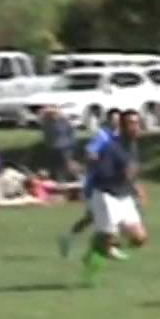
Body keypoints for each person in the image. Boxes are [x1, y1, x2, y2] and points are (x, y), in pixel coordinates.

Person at [82, 110, 148, 286]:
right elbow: (102, 174)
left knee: (140, 238)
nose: (136, 127)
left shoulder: (133, 145)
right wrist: (123, 176)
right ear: (122, 126)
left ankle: (99, 246)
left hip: (124, 196)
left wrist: (136, 186)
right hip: (106, 195)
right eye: (131, 124)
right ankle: (94, 259)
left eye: (137, 123)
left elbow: (131, 171)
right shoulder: (112, 147)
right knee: (108, 239)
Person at [59, 109, 121, 259]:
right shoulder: (103, 135)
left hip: (108, 183)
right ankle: (109, 247)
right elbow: (90, 152)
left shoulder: (117, 137)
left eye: (119, 119)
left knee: (92, 217)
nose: (117, 122)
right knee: (109, 214)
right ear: (108, 120)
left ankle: (68, 238)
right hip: (95, 183)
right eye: (115, 119)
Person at [40, 106, 78, 183]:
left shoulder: (64, 122)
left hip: (65, 147)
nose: (52, 115)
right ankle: (60, 179)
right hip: (53, 147)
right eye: (50, 114)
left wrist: (72, 144)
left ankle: (74, 177)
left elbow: (71, 133)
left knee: (66, 163)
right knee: (57, 165)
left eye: (54, 113)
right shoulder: (47, 122)